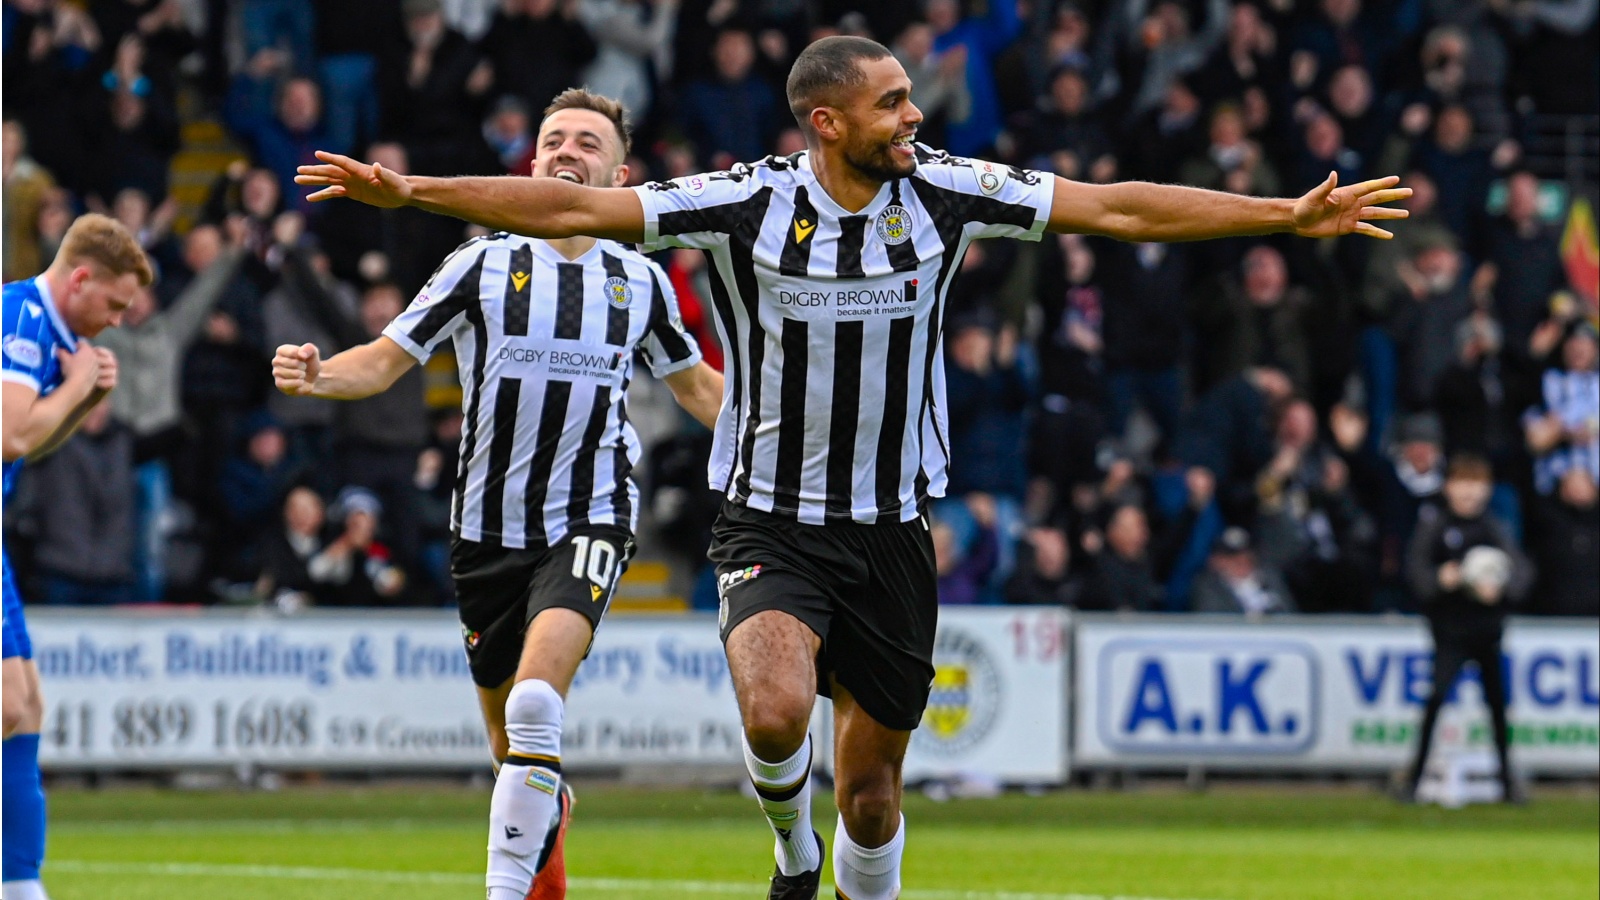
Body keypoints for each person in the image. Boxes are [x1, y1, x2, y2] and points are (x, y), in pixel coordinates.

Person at [295, 35, 1410, 900]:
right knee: (777, 717)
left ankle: (839, 852)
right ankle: (789, 845)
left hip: (890, 530)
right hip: (766, 518)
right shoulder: (744, 202)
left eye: (909, 98)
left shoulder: (949, 187)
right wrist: (413, 190)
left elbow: (1112, 207)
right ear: (826, 123)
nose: (914, 117)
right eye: (891, 104)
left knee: (871, 798)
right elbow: (577, 204)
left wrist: (1280, 213)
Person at [276, 89, 723, 900]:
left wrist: (785, 437)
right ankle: (546, 849)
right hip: (486, 530)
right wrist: (319, 375)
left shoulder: (640, 280)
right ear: (532, 158)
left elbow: (695, 386)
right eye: (554, 138)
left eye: (588, 143)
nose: (566, 152)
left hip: (590, 515)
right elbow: (383, 360)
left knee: (536, 694)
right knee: (511, 744)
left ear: (619, 172)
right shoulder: (481, 264)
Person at [2, 213, 150, 900]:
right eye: (114, 304)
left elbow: (34, 443)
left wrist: (79, 396)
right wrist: (76, 384)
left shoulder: (51, 332)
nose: (117, 320)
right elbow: (9, 438)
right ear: (81, 277)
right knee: (6, 702)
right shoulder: (21, 317)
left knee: (26, 705)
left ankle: (20, 886)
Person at [1402, 454, 1533, 804]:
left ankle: (1507, 783)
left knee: (1497, 708)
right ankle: (1413, 781)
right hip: (1450, 634)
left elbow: (1521, 573)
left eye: (1477, 485)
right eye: (1463, 484)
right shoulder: (1436, 526)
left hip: (1487, 633)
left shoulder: (1493, 528)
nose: (1470, 493)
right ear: (1448, 488)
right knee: (1436, 702)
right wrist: (1444, 579)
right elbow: (1417, 576)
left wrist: (1500, 589)